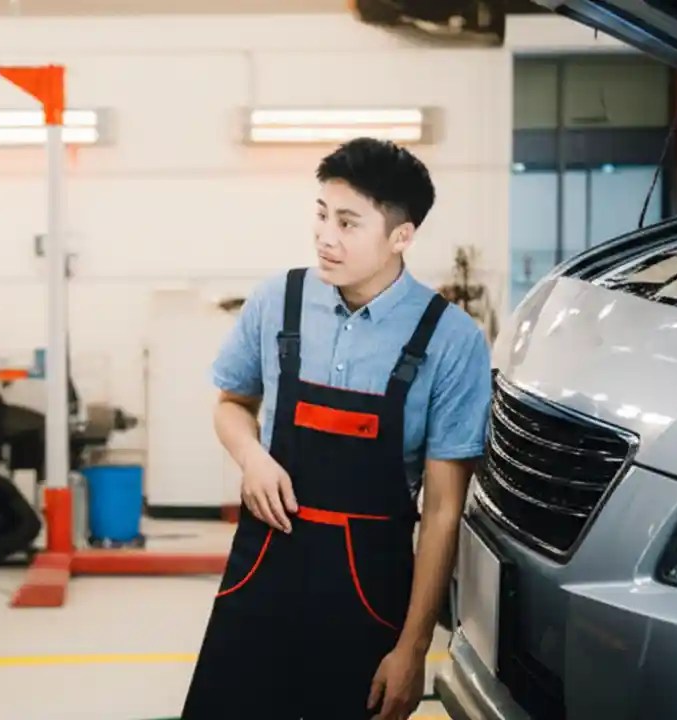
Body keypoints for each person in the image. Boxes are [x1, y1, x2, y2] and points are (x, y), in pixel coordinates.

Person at [181, 138, 492, 720]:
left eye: (348, 222)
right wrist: (251, 456)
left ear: (401, 237)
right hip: (262, 569)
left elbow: (445, 510)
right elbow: (231, 403)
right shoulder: (280, 301)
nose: (326, 236)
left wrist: (413, 647)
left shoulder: (452, 342)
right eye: (321, 214)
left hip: (367, 593)